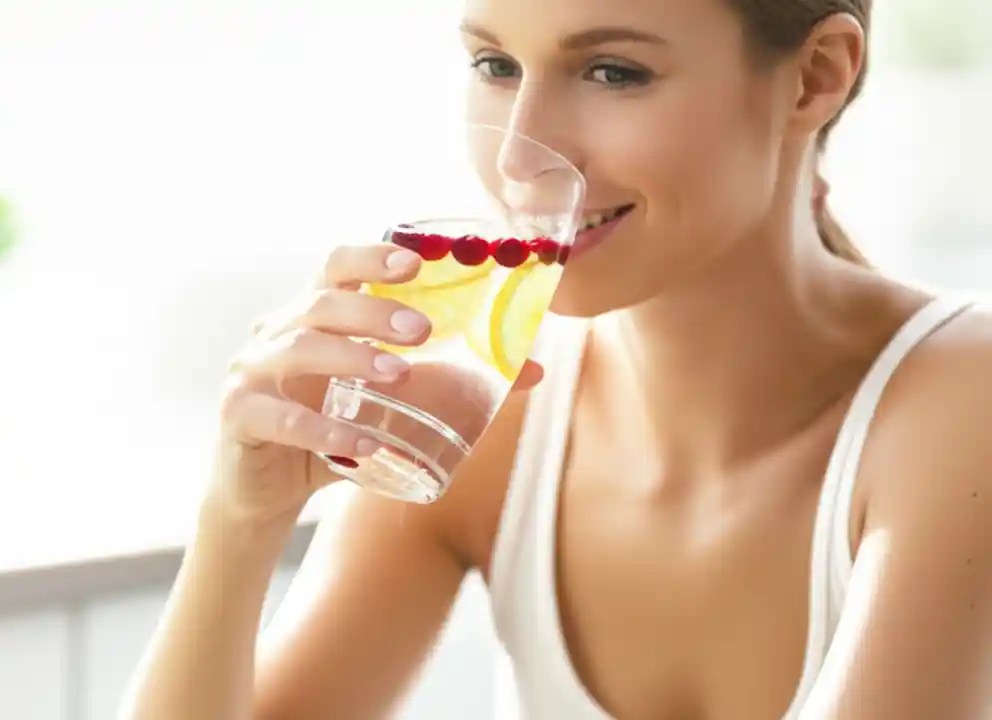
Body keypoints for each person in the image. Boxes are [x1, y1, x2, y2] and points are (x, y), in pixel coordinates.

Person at [123, 0, 992, 717]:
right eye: (496, 66)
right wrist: (239, 520)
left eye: (613, 72)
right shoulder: (482, 410)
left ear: (816, 77)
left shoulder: (961, 399)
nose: (518, 156)